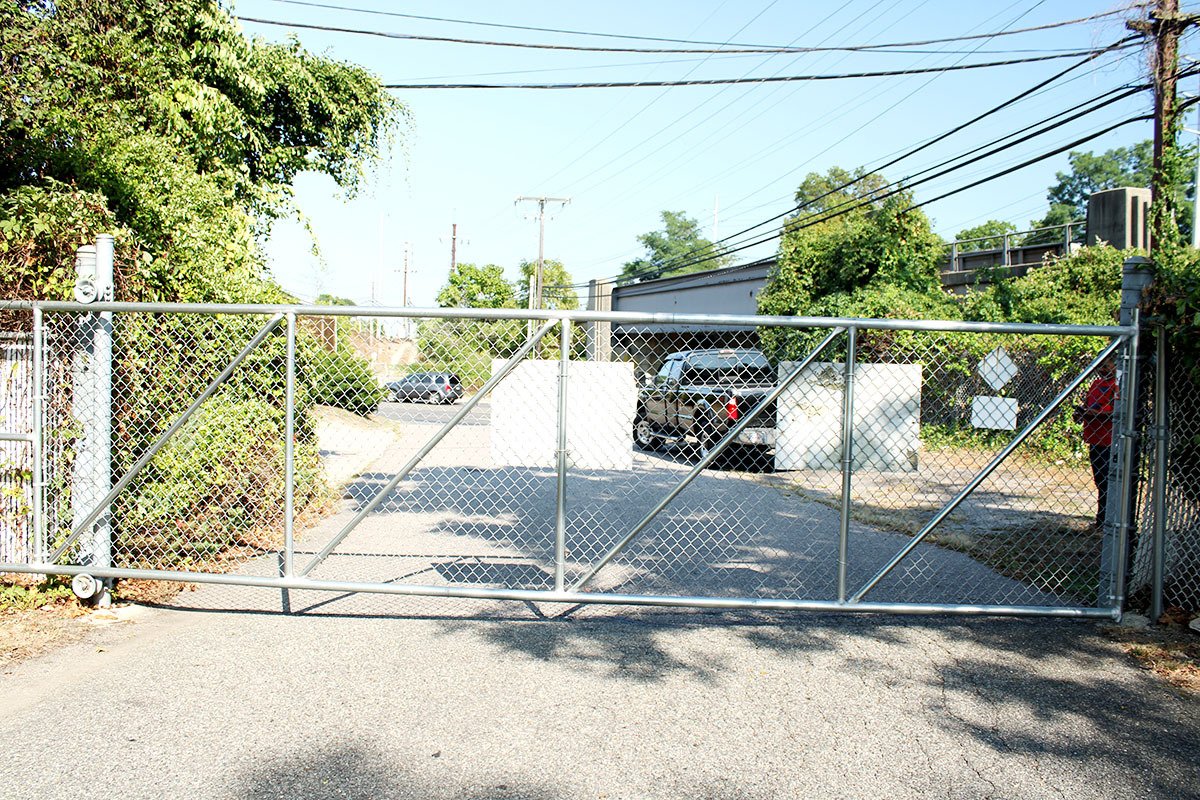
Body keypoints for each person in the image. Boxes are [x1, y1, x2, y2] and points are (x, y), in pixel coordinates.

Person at [1076, 359, 1118, 530]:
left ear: (1115, 365)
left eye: (1106, 365)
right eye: (1099, 366)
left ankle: (1108, 521)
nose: (1102, 369)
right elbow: (1088, 406)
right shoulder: (1096, 384)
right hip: (1095, 439)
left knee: (1109, 481)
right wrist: (1081, 414)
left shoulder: (1118, 385)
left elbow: (1114, 413)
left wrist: (1091, 414)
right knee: (1100, 481)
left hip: (1110, 440)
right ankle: (1101, 520)